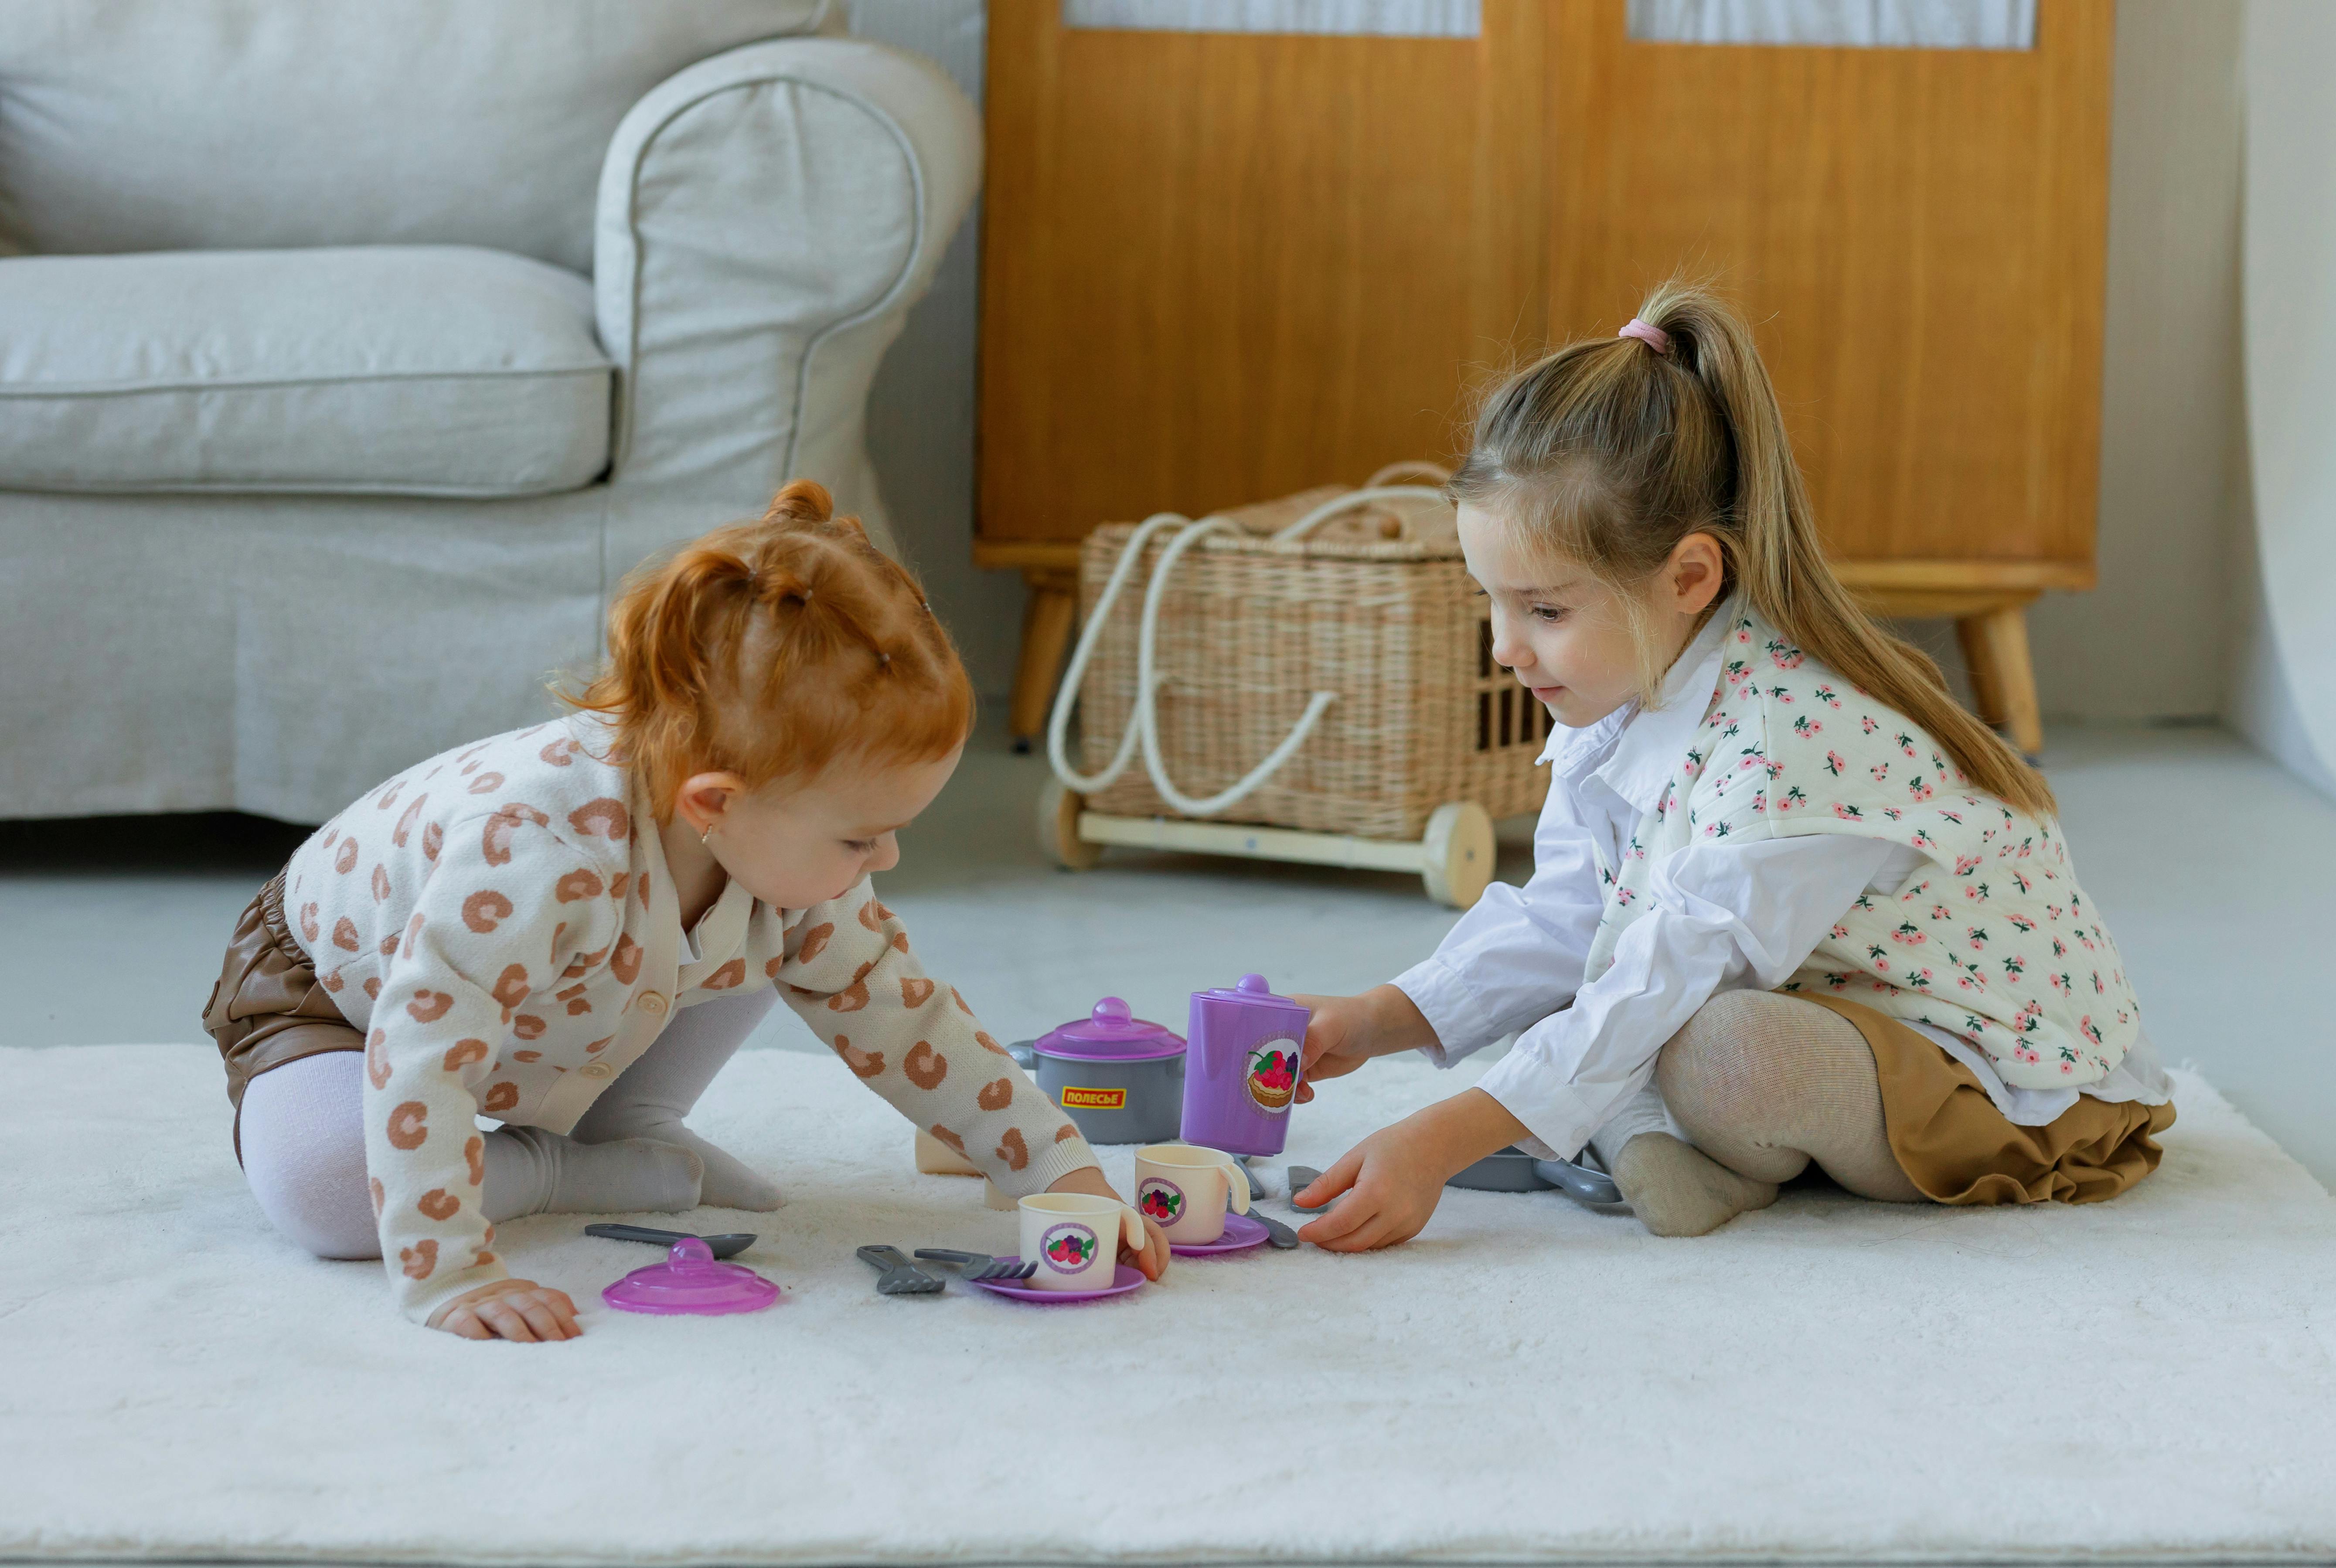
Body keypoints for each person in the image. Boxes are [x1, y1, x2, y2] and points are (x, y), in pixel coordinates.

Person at [1291, 282, 2174, 1251]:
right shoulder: (1615, 693)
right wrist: (1384, 1015)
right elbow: (1570, 914)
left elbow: (1676, 967)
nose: (1507, 647)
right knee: (1590, 996)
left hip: (2005, 1077)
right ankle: (1666, 1146)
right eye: (1493, 605)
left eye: (1544, 611)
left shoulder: (1787, 737)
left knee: (1712, 1048)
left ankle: (1672, 1136)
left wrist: (1446, 1135)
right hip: (1832, 1009)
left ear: (1688, 578)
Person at [202, 480, 1168, 1337]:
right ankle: (584, 1170)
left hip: (578, 976)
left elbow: (908, 1019)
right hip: (337, 991)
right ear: (715, 800)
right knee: (329, 1192)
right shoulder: (538, 852)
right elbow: (423, 1050)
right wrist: (450, 1268)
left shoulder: (765, 837)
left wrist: (1060, 1175)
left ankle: (637, 1124)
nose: (888, 856)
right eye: (860, 835)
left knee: (812, 929)